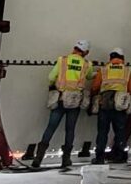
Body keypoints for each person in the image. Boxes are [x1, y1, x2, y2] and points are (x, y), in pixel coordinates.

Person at [33, 39, 94, 171]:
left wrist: (54, 86)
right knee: (70, 129)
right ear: (86, 52)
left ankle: (38, 158)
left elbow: (51, 77)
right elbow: (89, 77)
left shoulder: (62, 60)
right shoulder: (87, 64)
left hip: (60, 98)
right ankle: (66, 159)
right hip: (75, 100)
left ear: (74, 48)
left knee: (51, 127)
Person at [90, 48, 131, 163]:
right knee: (120, 131)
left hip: (104, 104)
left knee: (102, 131)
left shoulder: (104, 70)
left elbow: (95, 87)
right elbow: (130, 89)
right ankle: (120, 156)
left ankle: (99, 157)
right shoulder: (127, 70)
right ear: (122, 58)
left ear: (110, 58)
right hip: (120, 105)